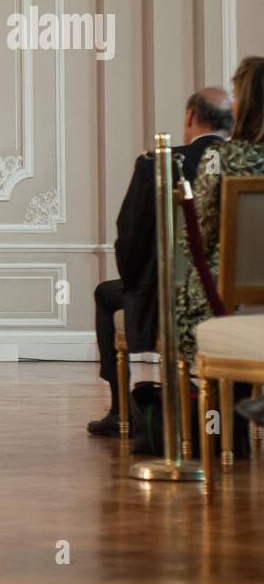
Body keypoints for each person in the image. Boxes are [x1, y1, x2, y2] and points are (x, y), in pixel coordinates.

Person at [87, 88, 232, 436]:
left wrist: (137, 284)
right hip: (240, 305)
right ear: (231, 124)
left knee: (106, 294)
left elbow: (131, 237)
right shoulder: (248, 164)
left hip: (174, 299)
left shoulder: (159, 163)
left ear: (190, 118)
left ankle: (122, 410)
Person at [176, 57, 264, 372]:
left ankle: (212, 412)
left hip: (223, 302)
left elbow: (197, 238)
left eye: (237, 96)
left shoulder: (218, 157)